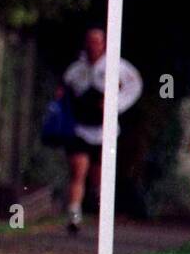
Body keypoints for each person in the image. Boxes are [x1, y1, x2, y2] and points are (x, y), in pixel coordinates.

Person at [58, 28, 142, 233]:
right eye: (90, 41)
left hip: (105, 131)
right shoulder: (76, 69)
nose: (93, 45)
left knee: (99, 177)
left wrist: (115, 104)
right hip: (80, 129)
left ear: (104, 44)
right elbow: (63, 92)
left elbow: (134, 86)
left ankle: (102, 218)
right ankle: (74, 215)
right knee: (78, 170)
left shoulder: (117, 66)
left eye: (98, 41)